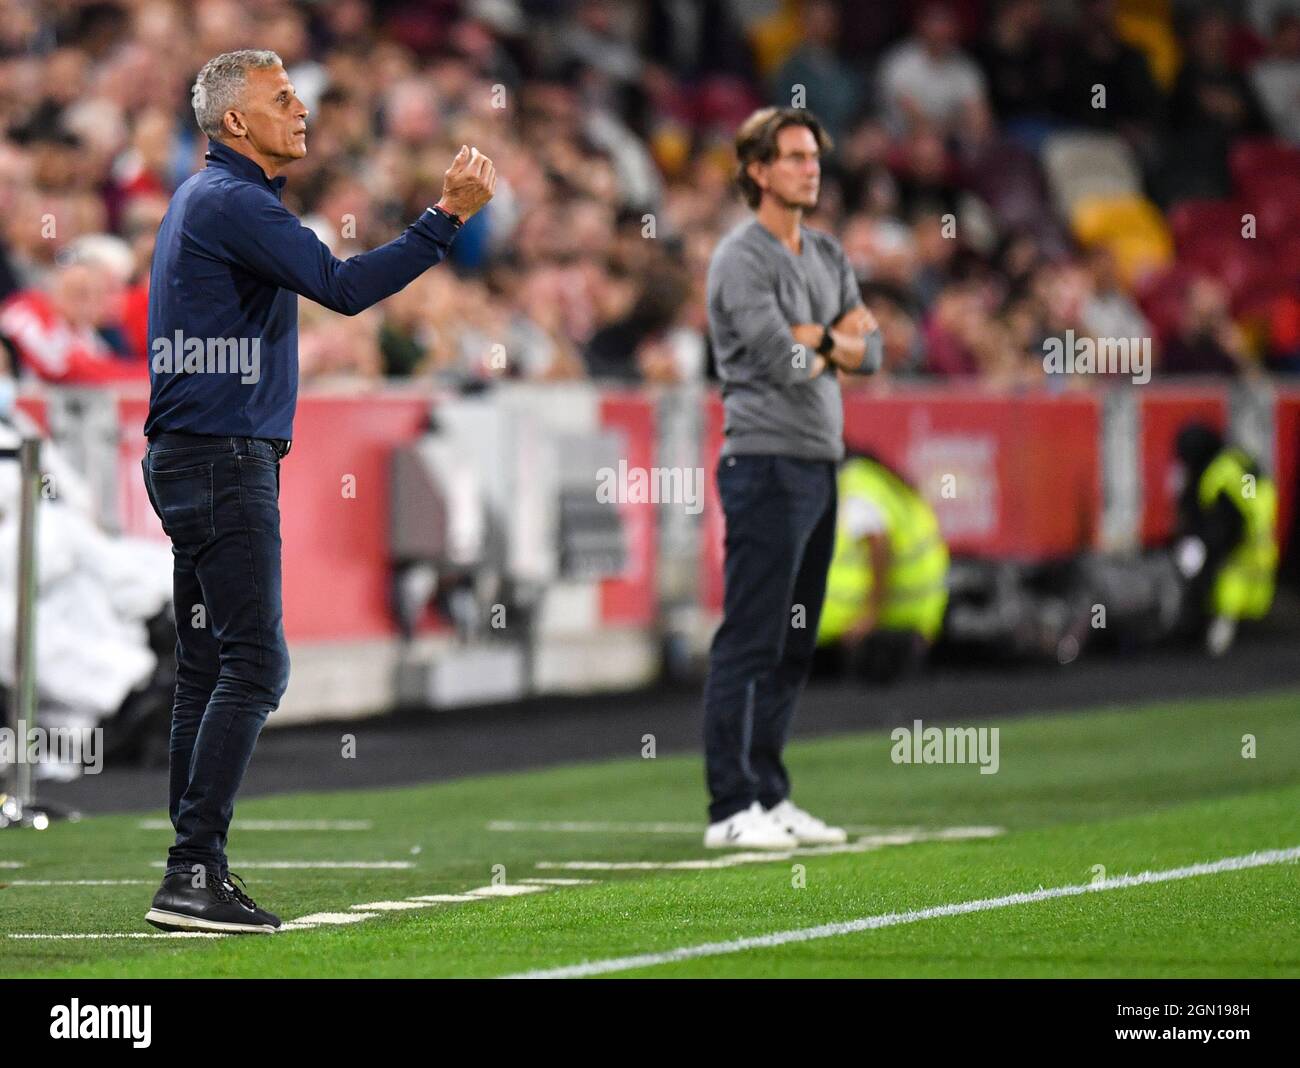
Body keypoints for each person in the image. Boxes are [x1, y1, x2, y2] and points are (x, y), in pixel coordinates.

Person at [141, 49, 494, 933]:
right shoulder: (235, 201)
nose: (302, 110)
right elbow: (340, 287)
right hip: (220, 459)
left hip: (190, 454)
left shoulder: (204, 199)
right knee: (256, 666)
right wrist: (444, 218)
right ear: (234, 123)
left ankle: (189, 865)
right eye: (282, 98)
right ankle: (192, 870)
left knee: (210, 669)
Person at [702, 106, 882, 851]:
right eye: (795, 157)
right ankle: (729, 806)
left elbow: (870, 354)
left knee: (794, 640)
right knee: (751, 634)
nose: (811, 169)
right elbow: (783, 360)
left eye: (814, 156)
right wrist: (829, 341)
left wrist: (822, 342)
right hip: (765, 461)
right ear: (757, 170)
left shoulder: (828, 253)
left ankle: (770, 792)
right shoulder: (741, 259)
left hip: (818, 458)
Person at [815, 452, 949, 684]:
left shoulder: (856, 486)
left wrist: (869, 615)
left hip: (876, 629)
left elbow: (878, 541)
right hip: (914, 616)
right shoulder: (879, 481)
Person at [1172, 423, 1277, 656]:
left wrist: (1205, 544)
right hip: (1261, 539)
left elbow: (1226, 521)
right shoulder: (1235, 459)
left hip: (1242, 540)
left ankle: (1218, 634)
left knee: (1226, 591)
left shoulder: (1218, 472)